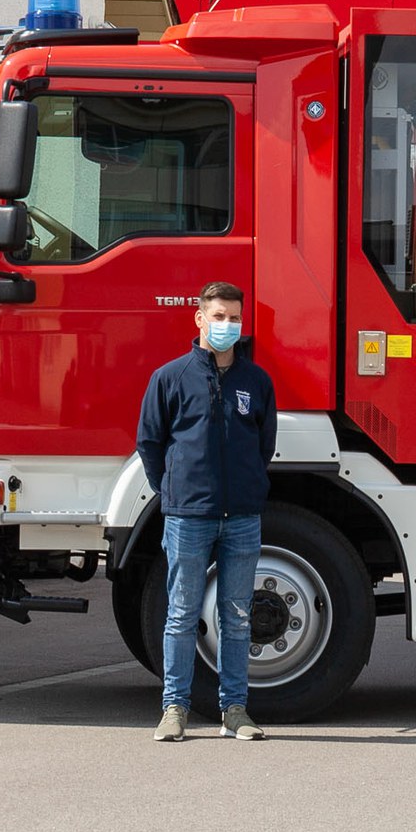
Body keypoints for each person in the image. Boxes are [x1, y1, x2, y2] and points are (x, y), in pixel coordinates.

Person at [136, 281, 278, 743]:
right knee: (181, 613)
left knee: (237, 616)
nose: (227, 326)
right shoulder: (170, 378)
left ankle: (234, 711)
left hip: (242, 516)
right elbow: (150, 442)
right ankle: (173, 710)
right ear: (199, 319)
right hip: (188, 517)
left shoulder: (256, 382)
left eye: (234, 318)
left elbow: (265, 445)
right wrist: (173, 491)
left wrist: (246, 488)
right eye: (218, 316)